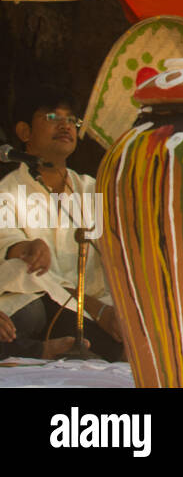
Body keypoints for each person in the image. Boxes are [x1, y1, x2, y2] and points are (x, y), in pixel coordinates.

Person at [0, 86, 123, 361]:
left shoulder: (94, 191)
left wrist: (110, 310)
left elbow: (121, 254)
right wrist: (24, 246)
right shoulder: (6, 192)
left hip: (97, 311)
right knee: (27, 284)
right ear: (24, 133)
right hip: (41, 308)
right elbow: (6, 242)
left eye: (72, 119)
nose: (66, 125)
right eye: (53, 116)